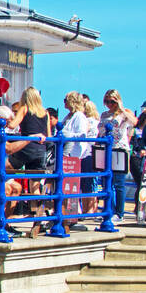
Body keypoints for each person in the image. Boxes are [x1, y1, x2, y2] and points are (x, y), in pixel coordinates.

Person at [9, 87, 52, 236]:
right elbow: (49, 135)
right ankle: (38, 220)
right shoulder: (45, 113)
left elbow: (13, 125)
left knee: (3, 168)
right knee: (35, 187)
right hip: (40, 151)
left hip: (26, 147)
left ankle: (5, 206)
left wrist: (7, 120)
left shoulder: (25, 109)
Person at [102, 90, 136, 221]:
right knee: (107, 182)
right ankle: (109, 210)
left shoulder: (123, 113)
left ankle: (119, 213)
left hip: (120, 149)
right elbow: (101, 128)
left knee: (119, 183)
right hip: (107, 149)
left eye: (112, 101)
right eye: (107, 101)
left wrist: (121, 107)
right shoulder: (104, 114)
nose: (109, 104)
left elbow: (134, 122)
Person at [60, 91, 92, 220]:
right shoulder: (70, 116)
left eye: (66, 100)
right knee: (68, 185)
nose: (64, 102)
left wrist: (67, 136)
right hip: (68, 153)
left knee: (72, 184)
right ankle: (70, 212)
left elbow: (82, 134)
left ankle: (74, 213)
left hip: (73, 154)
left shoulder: (79, 116)